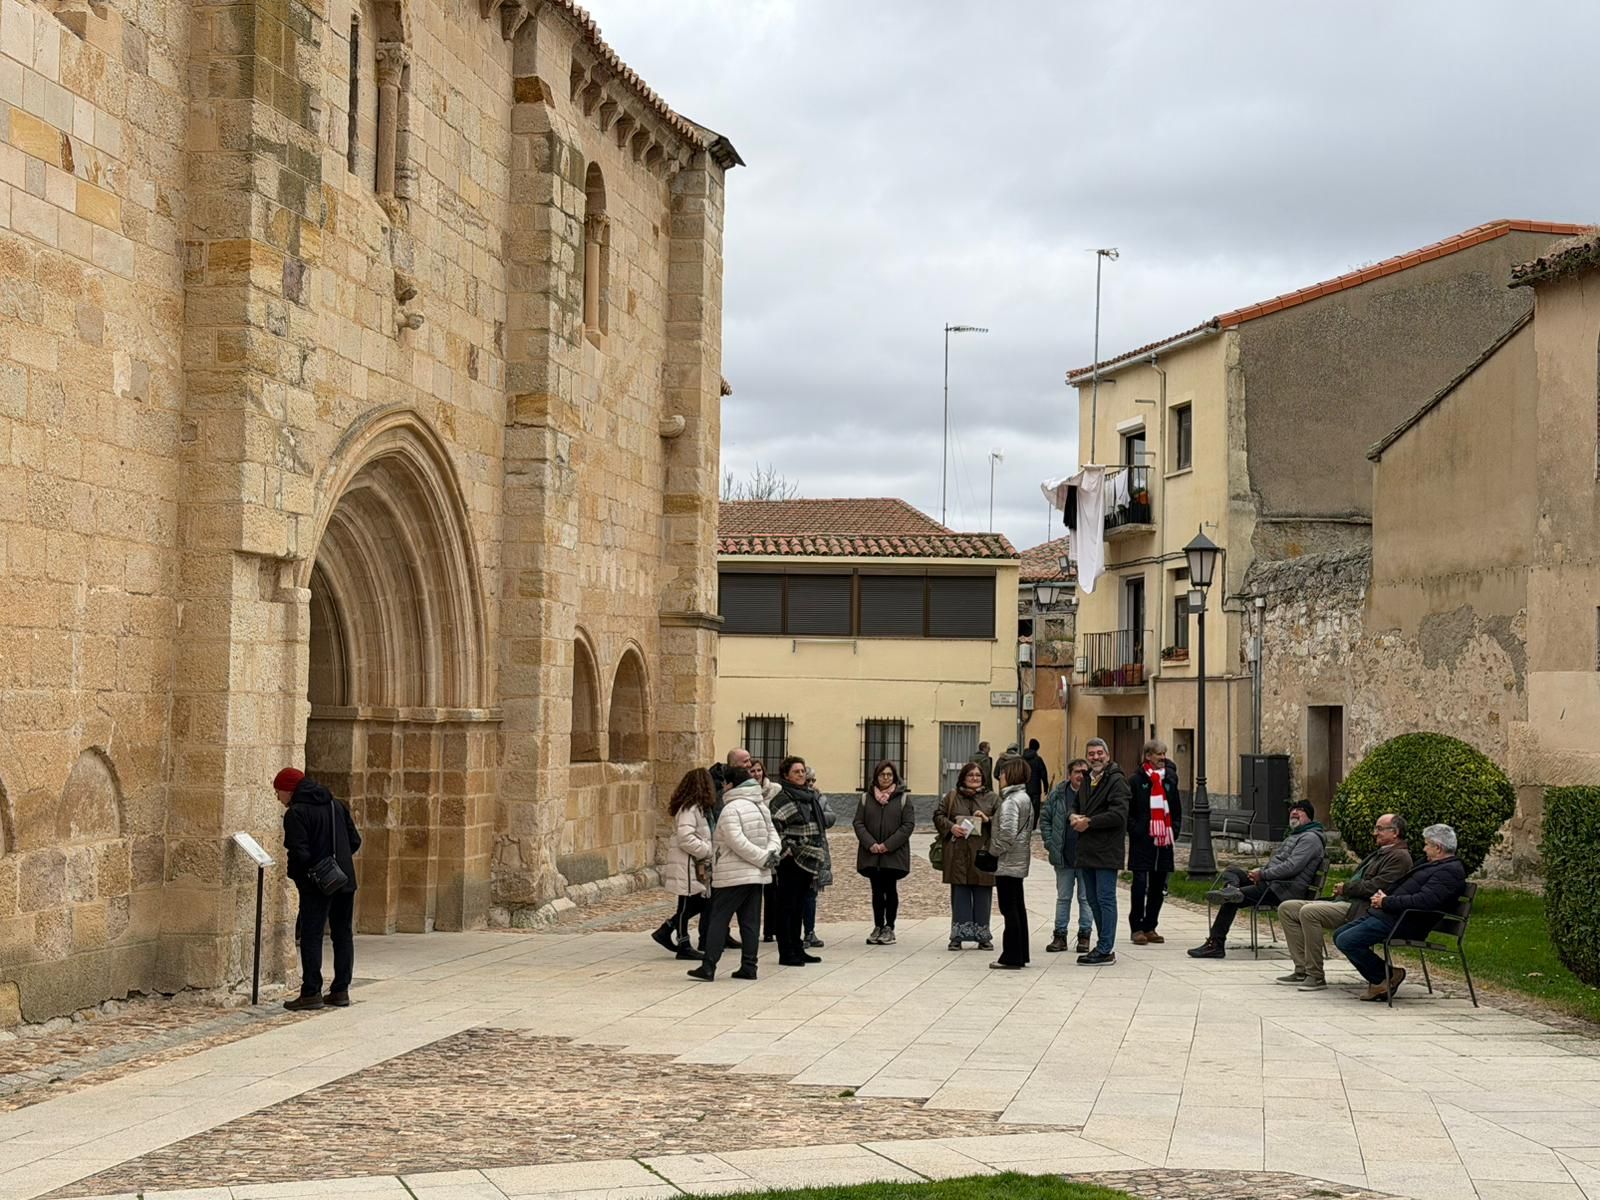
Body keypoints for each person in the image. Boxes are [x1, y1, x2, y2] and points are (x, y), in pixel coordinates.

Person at [1333, 823, 1468, 1002]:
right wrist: (1383, 899)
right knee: (1339, 935)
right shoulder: (1433, 864)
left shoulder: (1449, 871)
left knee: (1347, 940)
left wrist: (1386, 901)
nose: (1424, 848)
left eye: (1427, 844)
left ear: (1438, 847)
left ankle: (1384, 977)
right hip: (1392, 916)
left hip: (1407, 922)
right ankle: (1386, 976)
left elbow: (1424, 901)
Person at [1277, 813, 1412, 991]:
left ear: (1395, 832)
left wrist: (1346, 888)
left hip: (1361, 908)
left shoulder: (1399, 857)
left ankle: (1314, 974)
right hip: (1348, 902)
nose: (1375, 833)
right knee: (1287, 908)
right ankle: (1301, 969)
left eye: (1379, 829)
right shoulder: (1382, 853)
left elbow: (1377, 887)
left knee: (1309, 912)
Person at [1188, 800, 1327, 959]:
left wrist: (1262, 874)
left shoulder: (1310, 838)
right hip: (1272, 884)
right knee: (1232, 871)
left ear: (1309, 816)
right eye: (1293, 809)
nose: (1294, 812)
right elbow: (1278, 863)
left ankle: (1216, 944)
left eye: (1300, 810)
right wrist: (1260, 872)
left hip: (1283, 890)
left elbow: (1291, 867)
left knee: (1230, 900)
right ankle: (1231, 890)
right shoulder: (1296, 835)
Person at [277, 767, 361, 1011]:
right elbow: (354, 841)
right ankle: (341, 990)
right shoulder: (336, 805)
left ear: (289, 790)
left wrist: (305, 874)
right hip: (344, 880)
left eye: (278, 791)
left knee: (311, 936)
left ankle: (311, 991)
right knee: (342, 934)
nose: (278, 797)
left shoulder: (296, 813)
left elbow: (299, 852)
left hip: (316, 885)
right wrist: (336, 863)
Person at [687, 765, 780, 982]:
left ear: (729, 784)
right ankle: (749, 966)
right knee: (750, 922)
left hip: (733, 874)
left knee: (719, 919)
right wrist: (768, 856)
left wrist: (761, 857)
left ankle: (709, 965)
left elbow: (736, 842)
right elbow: (774, 837)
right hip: (757, 873)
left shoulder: (731, 809)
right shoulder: (760, 806)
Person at [1071, 737, 1128, 966]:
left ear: (1107, 754)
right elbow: (1076, 804)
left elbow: (1119, 815)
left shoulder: (1117, 781)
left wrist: (1090, 822)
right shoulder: (1087, 779)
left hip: (1106, 849)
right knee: (1092, 899)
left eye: (1099, 753)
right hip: (1087, 849)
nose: (1095, 757)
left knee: (1105, 899)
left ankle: (1105, 948)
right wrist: (1073, 815)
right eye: (1091, 754)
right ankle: (1103, 945)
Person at [651, 768, 716, 960]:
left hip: (694, 863)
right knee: (687, 904)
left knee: (700, 902)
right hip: (688, 864)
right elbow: (686, 837)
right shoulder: (690, 809)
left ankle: (667, 930)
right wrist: (706, 849)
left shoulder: (699, 809)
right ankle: (682, 943)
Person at [769, 755, 828, 966]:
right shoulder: (782, 799)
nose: (801, 775)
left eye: (803, 771)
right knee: (787, 906)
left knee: (800, 906)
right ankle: (786, 952)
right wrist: (789, 851)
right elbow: (775, 829)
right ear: (786, 775)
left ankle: (798, 947)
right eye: (796, 771)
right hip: (791, 860)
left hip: (810, 859)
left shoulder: (809, 797)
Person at [934, 761, 998, 950]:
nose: (974, 778)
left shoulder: (992, 798)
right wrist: (951, 827)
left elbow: (1002, 821)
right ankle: (958, 936)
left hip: (983, 852)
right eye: (970, 775)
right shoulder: (952, 797)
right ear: (963, 777)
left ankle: (983, 936)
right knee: (960, 894)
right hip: (958, 852)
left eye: (978, 775)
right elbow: (938, 816)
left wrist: (987, 820)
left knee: (983, 894)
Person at [854, 760, 916, 945]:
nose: (886, 778)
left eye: (889, 775)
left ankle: (889, 926)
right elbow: (858, 823)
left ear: (894, 777)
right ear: (876, 777)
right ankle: (878, 925)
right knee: (876, 890)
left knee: (890, 889)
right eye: (882, 775)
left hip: (893, 854)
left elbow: (908, 825)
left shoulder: (903, 799)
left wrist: (888, 845)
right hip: (872, 854)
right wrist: (871, 843)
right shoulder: (866, 798)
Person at [1127, 739, 1181, 946]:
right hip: (1143, 841)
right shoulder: (1136, 780)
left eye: (1164, 754)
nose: (1162, 758)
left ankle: (1150, 926)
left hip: (1163, 840)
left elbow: (1176, 809)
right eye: (1159, 754)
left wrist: (1173, 830)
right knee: (1140, 885)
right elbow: (1129, 811)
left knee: (1158, 887)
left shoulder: (1169, 780)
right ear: (1148, 756)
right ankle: (1137, 927)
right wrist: (1137, 829)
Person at [1039, 759, 1094, 954]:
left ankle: (1084, 936)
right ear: (1070, 775)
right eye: (1077, 772)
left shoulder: (1094, 793)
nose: (1080, 775)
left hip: (1087, 856)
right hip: (1064, 855)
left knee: (1085, 898)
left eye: (1084, 772)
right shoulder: (1058, 794)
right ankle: (1059, 936)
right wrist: (1050, 842)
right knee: (1063, 898)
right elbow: (1045, 819)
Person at [988, 759, 1035, 970]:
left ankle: (1011, 956)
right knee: (1017, 907)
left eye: (1003, 773)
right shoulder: (1024, 798)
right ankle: (1021, 953)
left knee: (1009, 909)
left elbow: (1007, 834)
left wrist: (992, 852)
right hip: (1018, 860)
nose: (1000, 777)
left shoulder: (1010, 801)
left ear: (1011, 775)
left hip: (1008, 861)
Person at [1021, 738, 1051, 824]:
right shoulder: (1038, 759)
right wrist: (1046, 787)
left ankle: (1025, 825)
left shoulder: (1022, 759)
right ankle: (1033, 826)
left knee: (1025, 808)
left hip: (1024, 788)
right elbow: (1043, 773)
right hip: (1035, 789)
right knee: (1035, 809)